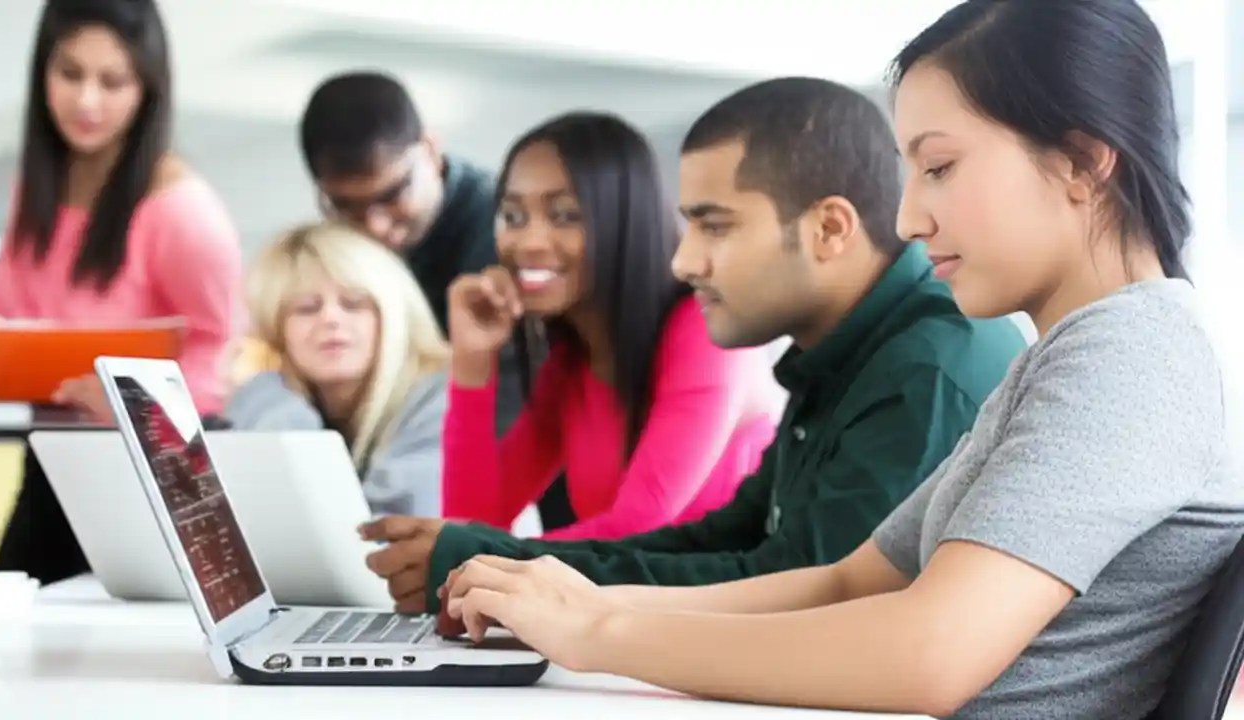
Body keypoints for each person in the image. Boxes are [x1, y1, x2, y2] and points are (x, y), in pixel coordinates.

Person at [437, 2, 1243, 718]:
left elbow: (932, 654)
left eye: (939, 167)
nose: (908, 216)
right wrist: (588, 600)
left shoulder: (1136, 352)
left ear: (1080, 161)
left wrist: (600, 631)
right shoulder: (1060, 360)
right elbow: (849, 582)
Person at [363, 80, 1026, 614]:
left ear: (829, 229)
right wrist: (494, 560)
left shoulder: (922, 367)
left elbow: (803, 589)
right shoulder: (838, 355)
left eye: (715, 227)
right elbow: (733, 535)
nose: (683, 262)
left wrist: (517, 572)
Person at [424, 111, 781, 548]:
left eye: (565, 215)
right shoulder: (572, 358)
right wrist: (472, 362)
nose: (529, 242)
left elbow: (639, 526)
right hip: (636, 608)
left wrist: (475, 558)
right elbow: (477, 520)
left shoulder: (702, 328)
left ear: (626, 219)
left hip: (724, 609)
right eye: (513, 217)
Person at [0, 0, 241, 583]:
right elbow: (20, 321)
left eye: (113, 81)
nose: (87, 101)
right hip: (55, 455)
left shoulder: (182, 210)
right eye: (69, 74)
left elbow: (219, 360)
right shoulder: (35, 186)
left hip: (150, 476)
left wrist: (132, 399)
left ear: (147, 88)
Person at [298, 71, 547, 520]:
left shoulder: (505, 245)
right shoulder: (352, 253)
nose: (374, 225)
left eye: (393, 194)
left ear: (430, 150)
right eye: (346, 207)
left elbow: (507, 427)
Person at [224, 222, 450, 516]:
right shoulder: (274, 399)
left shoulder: (448, 397)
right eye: (306, 308)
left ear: (394, 313)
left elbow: (381, 545)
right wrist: (265, 390)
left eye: (354, 304)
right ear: (274, 331)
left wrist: (262, 395)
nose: (330, 318)